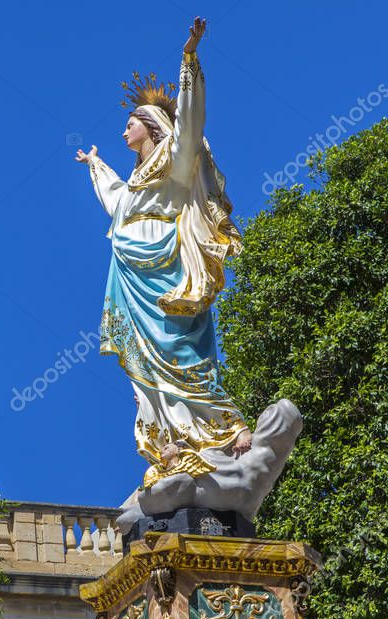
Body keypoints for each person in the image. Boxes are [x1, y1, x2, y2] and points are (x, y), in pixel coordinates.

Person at [76, 17, 253, 490]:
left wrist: (189, 58)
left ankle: (222, 426)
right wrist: (96, 166)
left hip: (164, 265)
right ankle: (171, 442)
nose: (124, 130)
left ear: (151, 125)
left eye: (129, 123)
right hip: (130, 270)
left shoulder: (175, 160)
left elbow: (191, 123)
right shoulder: (134, 183)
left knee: (178, 347)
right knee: (146, 362)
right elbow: (117, 201)